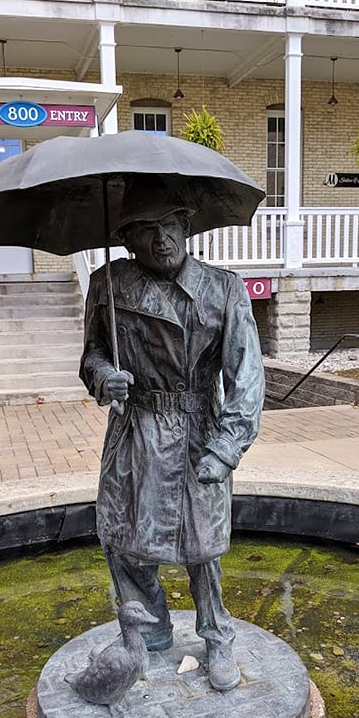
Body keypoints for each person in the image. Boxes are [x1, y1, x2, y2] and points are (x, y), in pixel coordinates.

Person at [80, 191, 264, 691]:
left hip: (197, 429)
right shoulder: (108, 285)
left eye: (169, 225)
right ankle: (151, 628)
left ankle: (216, 634)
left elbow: (246, 376)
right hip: (136, 428)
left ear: (187, 224)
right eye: (144, 229)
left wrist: (227, 447)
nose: (161, 239)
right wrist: (104, 377)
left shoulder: (222, 289)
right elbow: (91, 354)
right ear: (126, 239)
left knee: (203, 543)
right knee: (123, 537)